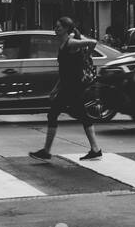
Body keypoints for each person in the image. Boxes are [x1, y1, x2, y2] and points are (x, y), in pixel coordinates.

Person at [30, 17, 103, 162]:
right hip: (69, 87)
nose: (55, 29)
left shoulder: (71, 43)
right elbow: (64, 72)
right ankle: (95, 149)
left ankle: (46, 151)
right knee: (82, 115)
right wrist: (55, 89)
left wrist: (85, 58)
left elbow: (93, 42)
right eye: (55, 26)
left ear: (66, 29)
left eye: (58, 27)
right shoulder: (64, 44)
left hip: (73, 87)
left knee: (53, 115)